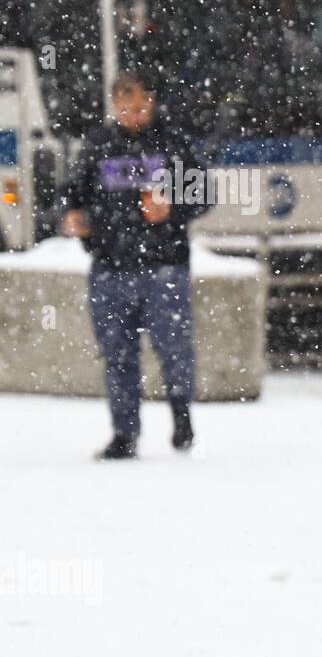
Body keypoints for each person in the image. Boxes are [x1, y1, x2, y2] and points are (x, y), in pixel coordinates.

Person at [60, 71, 214, 460]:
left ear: (153, 102)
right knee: (117, 356)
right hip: (110, 267)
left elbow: (205, 192)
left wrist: (173, 208)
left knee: (174, 349)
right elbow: (71, 193)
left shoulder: (172, 143)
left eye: (140, 107)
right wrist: (71, 216)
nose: (133, 116)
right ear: (114, 105)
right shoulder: (98, 145)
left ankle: (181, 417)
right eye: (125, 109)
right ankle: (124, 434)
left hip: (164, 267)